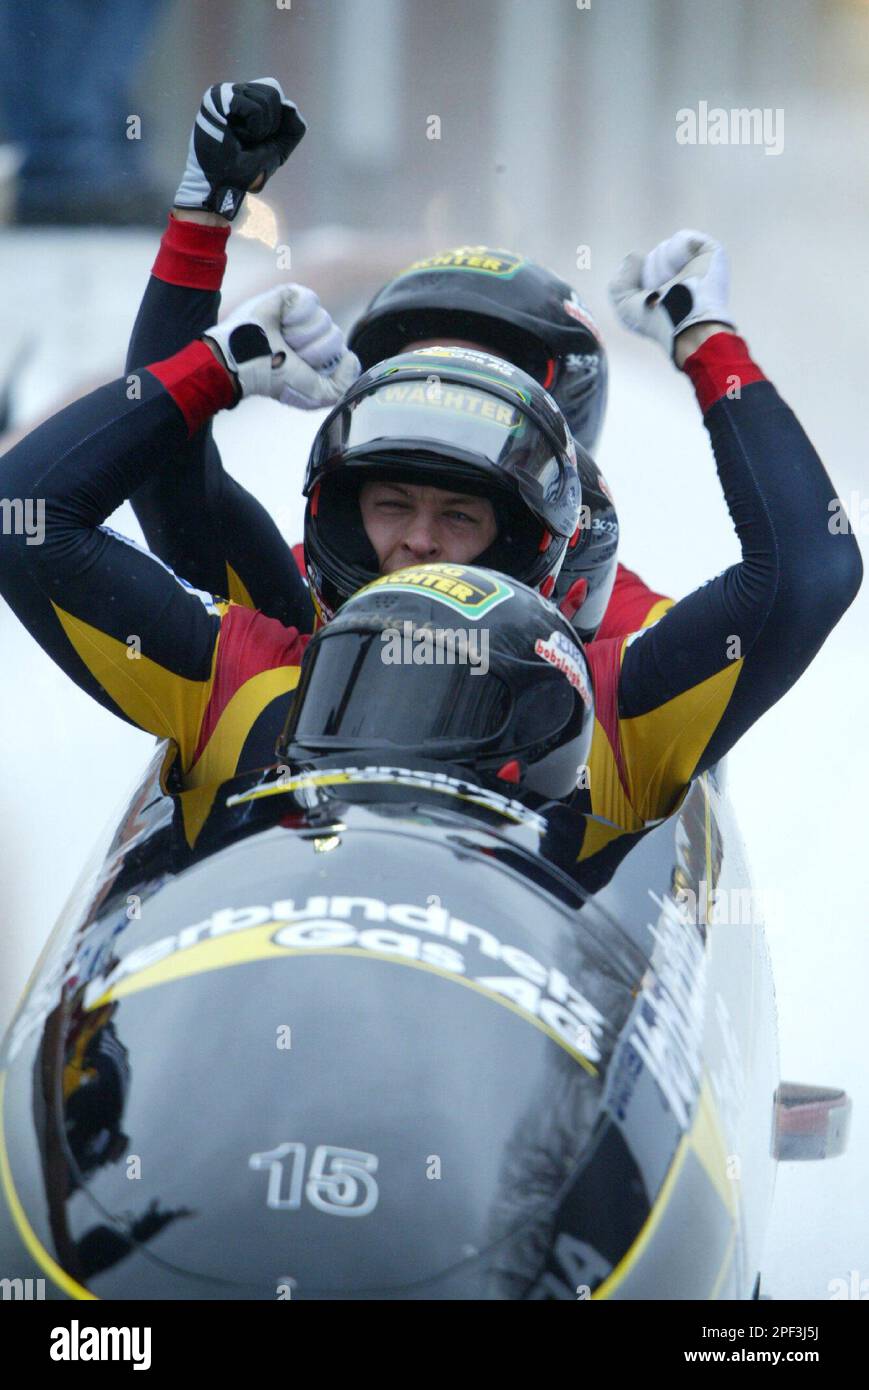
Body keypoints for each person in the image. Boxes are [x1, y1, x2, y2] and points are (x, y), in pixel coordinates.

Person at [0, 231, 860, 884]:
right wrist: (212, 357)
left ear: (529, 538)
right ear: (341, 514)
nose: (417, 541)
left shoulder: (617, 697)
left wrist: (707, 340)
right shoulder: (252, 663)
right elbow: (37, 514)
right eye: (389, 506)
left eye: (459, 515)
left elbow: (807, 572)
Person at [127, 78, 670, 647]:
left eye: (483, 382)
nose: (441, 400)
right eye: (421, 373)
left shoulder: (623, 622)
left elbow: (759, 619)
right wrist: (205, 215)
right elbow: (165, 472)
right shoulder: (308, 576)